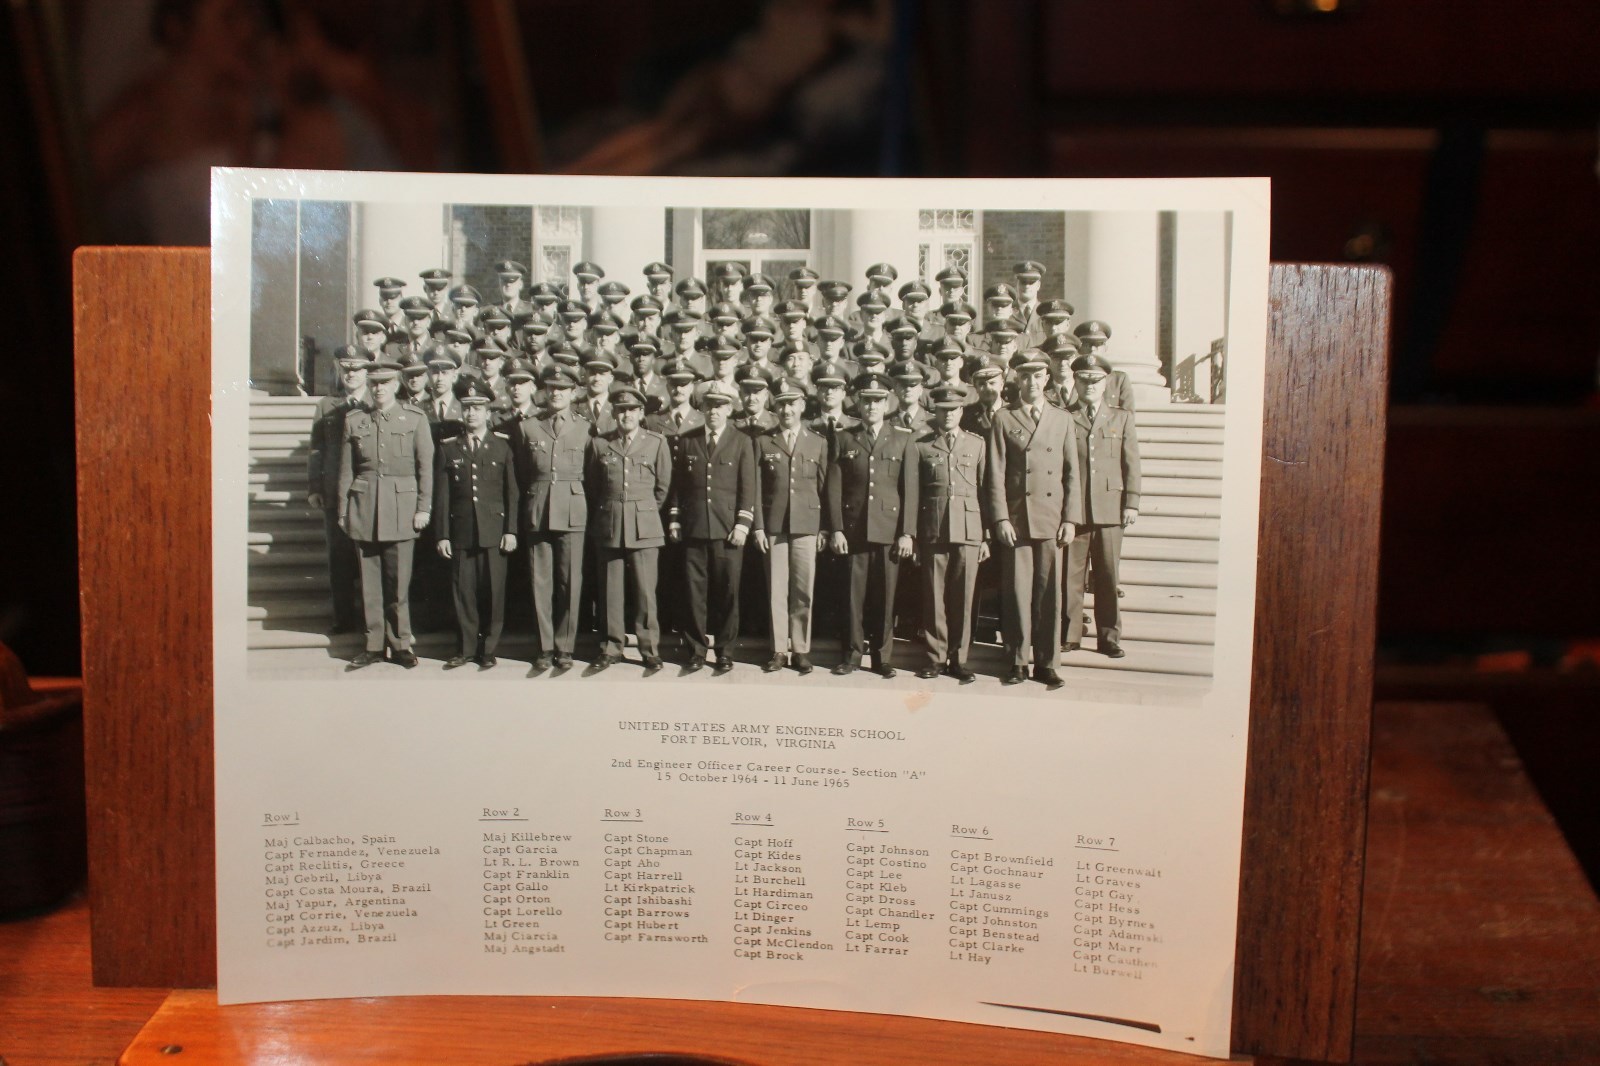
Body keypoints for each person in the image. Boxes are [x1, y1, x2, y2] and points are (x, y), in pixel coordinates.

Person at [982, 349, 1081, 690]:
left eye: (1038, 375)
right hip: (1018, 521)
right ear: (1017, 380)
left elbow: (1072, 475)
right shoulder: (1004, 419)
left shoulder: (1063, 419)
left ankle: (1048, 663)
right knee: (1016, 593)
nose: (1032, 382)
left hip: (1052, 520)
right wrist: (1000, 519)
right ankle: (1016, 661)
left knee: (1049, 594)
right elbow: (994, 474)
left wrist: (1071, 519)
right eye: (1025, 376)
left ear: (1047, 379)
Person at [338, 357, 434, 669]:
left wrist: (423, 507)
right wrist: (343, 511)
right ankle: (374, 645)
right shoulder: (355, 420)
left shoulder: (414, 418)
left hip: (402, 509)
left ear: (397, 385)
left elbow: (425, 469)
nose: (379, 388)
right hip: (364, 508)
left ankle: (402, 644)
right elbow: (345, 470)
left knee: (398, 584)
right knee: (370, 584)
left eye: (386, 382)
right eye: (375, 382)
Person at [824, 371, 914, 678]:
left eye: (877, 400)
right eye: (866, 400)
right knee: (852, 597)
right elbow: (833, 488)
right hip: (854, 531)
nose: (872, 406)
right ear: (858, 404)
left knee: (885, 598)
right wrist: (835, 528)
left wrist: (907, 532)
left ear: (887, 402)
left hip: (888, 531)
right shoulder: (844, 438)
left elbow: (909, 490)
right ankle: (851, 655)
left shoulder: (903, 438)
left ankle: (881, 657)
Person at [667, 391, 758, 675]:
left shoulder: (742, 441)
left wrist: (743, 524)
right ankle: (696, 650)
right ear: (702, 409)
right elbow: (677, 486)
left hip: (728, 531)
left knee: (728, 593)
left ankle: (725, 652)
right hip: (694, 529)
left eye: (720, 407)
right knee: (695, 593)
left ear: (729, 410)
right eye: (709, 406)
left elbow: (748, 486)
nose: (714, 412)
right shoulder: (688, 439)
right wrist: (674, 519)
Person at [585, 385, 673, 675]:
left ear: (640, 413)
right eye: (621, 410)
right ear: (614, 413)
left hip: (645, 526)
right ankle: (611, 647)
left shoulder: (656, 443)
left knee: (646, 592)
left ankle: (650, 650)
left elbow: (662, 488)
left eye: (632, 410)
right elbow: (595, 487)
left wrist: (643, 511)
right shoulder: (600, 444)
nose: (626, 415)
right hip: (610, 525)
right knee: (611, 591)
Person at [903, 384, 988, 683]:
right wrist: (911, 534)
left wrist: (986, 535)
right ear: (934, 412)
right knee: (934, 596)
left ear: (961, 411)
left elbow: (985, 492)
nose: (948, 414)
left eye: (953, 409)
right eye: (942, 410)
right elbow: (913, 494)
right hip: (933, 529)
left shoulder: (977, 444)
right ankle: (935, 657)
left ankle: (959, 658)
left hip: (969, 530)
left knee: (963, 597)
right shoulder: (921, 445)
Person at [432, 378, 517, 669]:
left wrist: (512, 531)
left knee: (494, 591)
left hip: (494, 531)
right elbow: (441, 497)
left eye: (478, 408)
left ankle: (488, 648)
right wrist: (442, 535)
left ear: (488, 412)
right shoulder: (448, 448)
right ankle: (466, 648)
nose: (472, 414)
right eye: (467, 408)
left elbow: (512, 493)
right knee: (463, 591)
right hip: (461, 531)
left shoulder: (502, 447)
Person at [511, 364, 591, 671]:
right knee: (539, 582)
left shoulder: (585, 427)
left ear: (573, 393)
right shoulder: (529, 426)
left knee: (569, 582)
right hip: (538, 510)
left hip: (573, 512)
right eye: (551, 388)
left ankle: (565, 646)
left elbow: (593, 477)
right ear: (544, 392)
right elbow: (521, 472)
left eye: (563, 388)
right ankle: (544, 647)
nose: (556, 393)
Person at [1064, 353, 1141, 658]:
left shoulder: (1121, 417)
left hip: (1110, 508)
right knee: (1071, 575)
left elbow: (1131, 462)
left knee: (1108, 576)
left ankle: (1108, 636)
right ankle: (1069, 634)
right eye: (1083, 380)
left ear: (1106, 382)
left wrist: (1131, 502)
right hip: (1077, 509)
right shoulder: (1065, 417)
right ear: (1077, 382)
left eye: (1095, 381)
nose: (1089, 386)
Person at [751, 379, 829, 675]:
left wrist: (823, 529)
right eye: (782, 404)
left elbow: (824, 488)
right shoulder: (763, 441)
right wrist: (758, 527)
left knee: (802, 590)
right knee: (776, 590)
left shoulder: (818, 442)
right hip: (774, 526)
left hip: (807, 526)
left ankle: (801, 649)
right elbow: (757, 490)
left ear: (802, 406)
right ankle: (778, 650)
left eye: (792, 403)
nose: (786, 409)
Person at [307, 346, 369, 634]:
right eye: (346, 368)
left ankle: (372, 620)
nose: (351, 374)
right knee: (339, 558)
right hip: (334, 492)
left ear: (367, 371)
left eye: (356, 368)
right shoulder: (326, 406)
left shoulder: (377, 403)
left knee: (368, 558)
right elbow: (317, 451)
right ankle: (343, 617)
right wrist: (315, 487)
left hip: (369, 492)